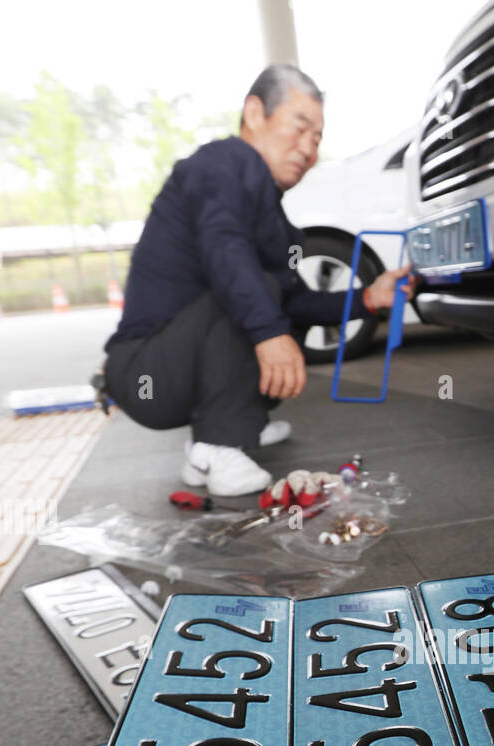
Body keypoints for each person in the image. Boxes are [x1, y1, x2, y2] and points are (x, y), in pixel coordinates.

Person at [103, 64, 414, 496]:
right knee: (256, 298)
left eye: (317, 138)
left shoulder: (278, 221)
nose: (308, 148)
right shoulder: (219, 166)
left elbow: (296, 302)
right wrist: (268, 333)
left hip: (177, 368)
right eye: (299, 127)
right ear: (254, 113)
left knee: (272, 305)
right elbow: (224, 249)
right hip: (144, 371)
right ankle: (221, 442)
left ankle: (220, 436)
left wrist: (368, 299)